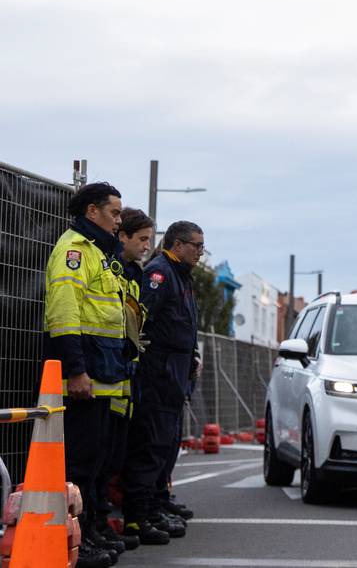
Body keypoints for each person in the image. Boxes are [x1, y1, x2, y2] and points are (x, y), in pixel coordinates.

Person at [43, 182, 132, 568]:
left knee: (93, 460)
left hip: (101, 375)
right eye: (114, 213)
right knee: (78, 463)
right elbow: (64, 313)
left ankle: (88, 533)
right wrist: (76, 371)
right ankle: (72, 545)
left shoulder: (98, 252)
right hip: (84, 378)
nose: (118, 221)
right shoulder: (75, 251)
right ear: (92, 211)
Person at [122, 221, 204, 544]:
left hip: (176, 371)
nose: (200, 252)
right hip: (159, 372)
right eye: (196, 245)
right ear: (178, 244)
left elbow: (186, 324)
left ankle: (156, 504)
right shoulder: (159, 273)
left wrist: (191, 357)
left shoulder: (182, 276)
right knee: (151, 443)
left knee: (167, 443)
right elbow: (143, 320)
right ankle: (138, 516)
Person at [90, 208, 155, 555]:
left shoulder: (131, 273)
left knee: (111, 458)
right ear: (123, 237)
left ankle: (99, 524)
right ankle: (94, 525)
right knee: (96, 458)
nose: (147, 246)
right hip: (103, 374)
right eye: (142, 239)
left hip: (121, 379)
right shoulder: (111, 268)